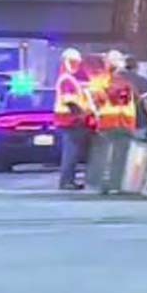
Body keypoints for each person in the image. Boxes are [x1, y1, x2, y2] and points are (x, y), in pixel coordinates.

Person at [53, 48, 93, 190]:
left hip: (71, 121)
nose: (76, 65)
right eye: (73, 62)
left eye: (77, 62)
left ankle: (68, 180)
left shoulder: (70, 79)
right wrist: (82, 115)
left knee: (72, 153)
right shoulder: (66, 79)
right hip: (69, 121)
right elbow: (70, 101)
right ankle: (67, 182)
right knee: (71, 153)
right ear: (66, 62)